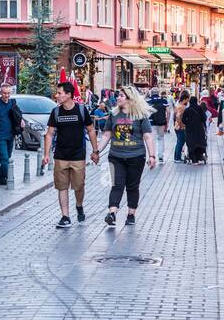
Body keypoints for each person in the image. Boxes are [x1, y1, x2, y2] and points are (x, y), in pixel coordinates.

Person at [42, 81, 100, 228]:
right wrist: (46, 154)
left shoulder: (81, 110)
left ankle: (79, 205)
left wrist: (95, 150)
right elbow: (49, 134)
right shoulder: (56, 112)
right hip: (60, 155)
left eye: (60, 93)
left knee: (79, 186)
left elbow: (91, 130)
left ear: (68, 95)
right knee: (62, 187)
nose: (57, 95)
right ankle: (65, 216)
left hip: (78, 156)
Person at [98, 85, 156, 226]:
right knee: (116, 185)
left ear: (130, 99)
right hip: (116, 156)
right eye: (118, 95)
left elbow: (147, 136)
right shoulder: (113, 114)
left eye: (121, 96)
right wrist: (96, 151)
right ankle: (112, 213)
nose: (118, 98)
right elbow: (107, 135)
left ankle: (131, 214)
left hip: (136, 157)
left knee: (132, 186)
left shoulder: (140, 115)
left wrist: (152, 156)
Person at [0, 84, 23, 186]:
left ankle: (2, 178)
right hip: (0, 136)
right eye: (4, 93)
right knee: (4, 160)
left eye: (8, 93)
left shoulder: (12, 103)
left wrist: (21, 121)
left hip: (11, 135)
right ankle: (4, 176)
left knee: (8, 159)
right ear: (1, 93)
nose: (6, 95)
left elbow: (18, 114)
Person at [183, 95, 208, 163]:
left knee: (191, 144)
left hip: (190, 130)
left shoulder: (187, 110)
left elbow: (183, 120)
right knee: (199, 143)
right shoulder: (200, 108)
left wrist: (188, 123)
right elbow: (204, 118)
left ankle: (193, 159)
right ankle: (199, 156)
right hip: (199, 130)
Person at [148, 87, 170, 162]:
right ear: (158, 93)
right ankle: (160, 156)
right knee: (161, 138)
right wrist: (167, 122)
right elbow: (168, 112)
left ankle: (152, 156)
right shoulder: (164, 100)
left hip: (151, 123)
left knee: (152, 139)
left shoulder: (148, 101)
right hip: (162, 122)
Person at [173, 92, 189, 163]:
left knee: (179, 142)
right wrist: (181, 124)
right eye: (187, 99)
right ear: (185, 99)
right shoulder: (182, 107)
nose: (188, 101)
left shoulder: (178, 106)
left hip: (176, 126)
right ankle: (177, 158)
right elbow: (178, 116)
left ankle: (176, 157)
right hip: (180, 127)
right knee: (181, 142)